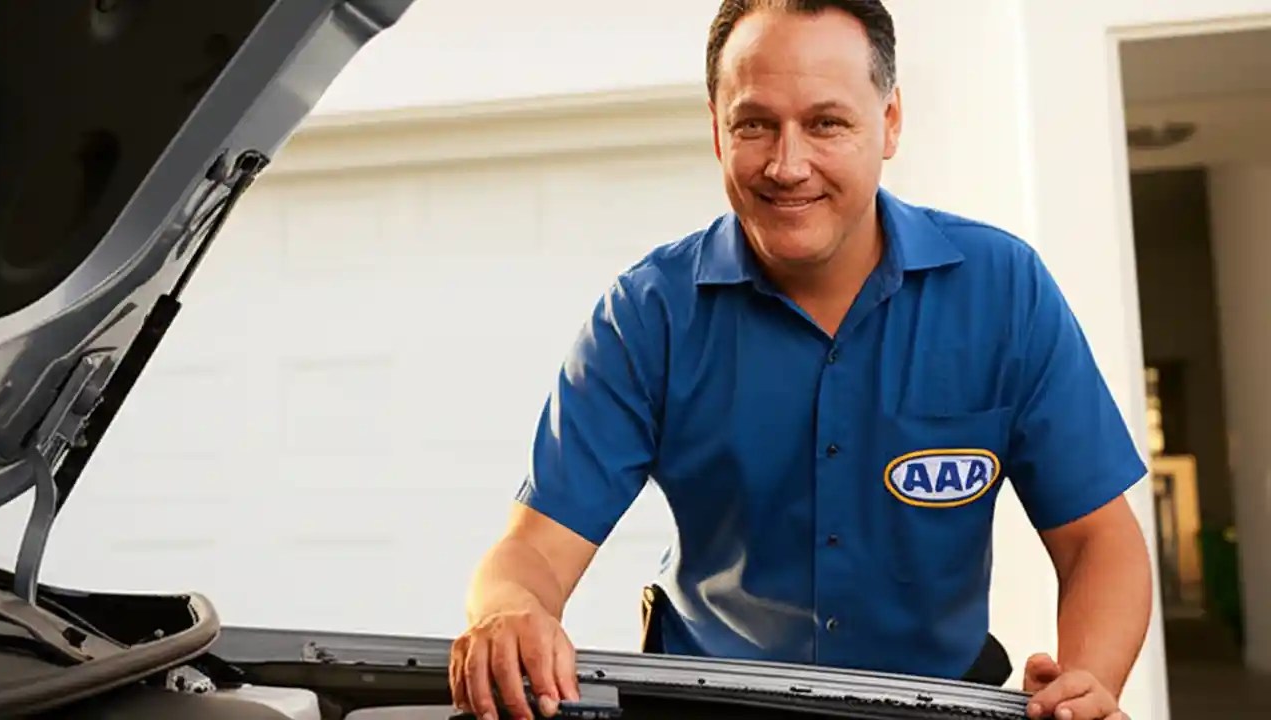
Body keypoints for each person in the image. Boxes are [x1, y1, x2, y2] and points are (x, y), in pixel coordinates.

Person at [448, 2, 1152, 719]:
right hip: (708, 702)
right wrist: (507, 613)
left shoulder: (1003, 291)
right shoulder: (646, 316)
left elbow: (1100, 540)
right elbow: (532, 551)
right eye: (755, 124)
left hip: (934, 702)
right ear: (718, 133)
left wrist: (1088, 682)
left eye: (826, 123)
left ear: (891, 122)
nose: (787, 165)